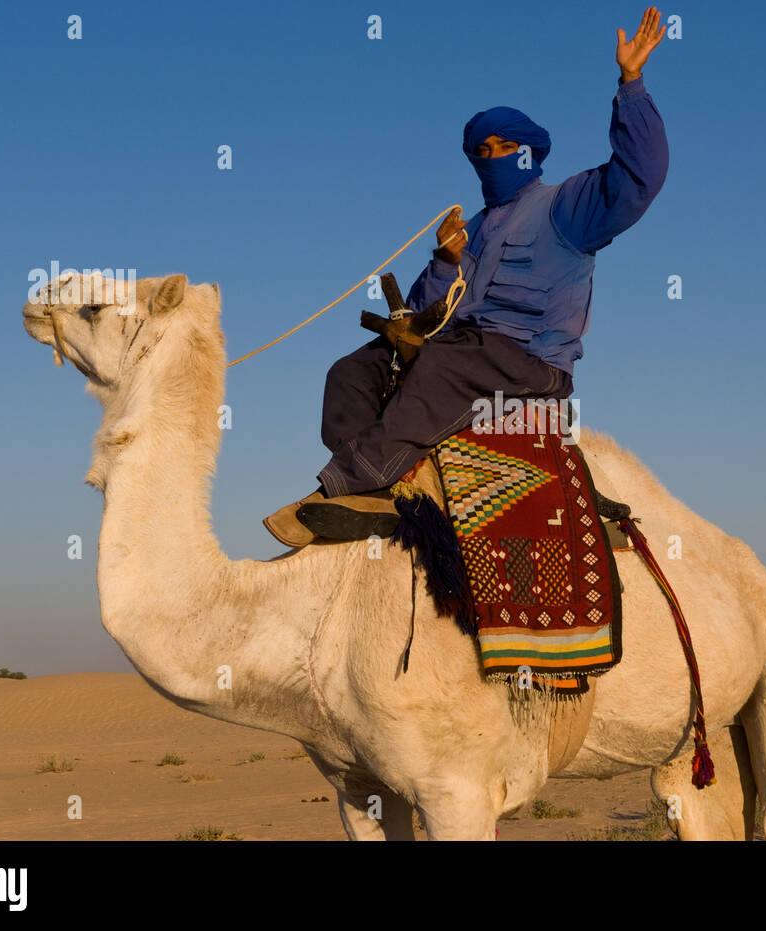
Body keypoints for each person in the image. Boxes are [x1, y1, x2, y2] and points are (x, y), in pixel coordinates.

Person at [265, 6, 669, 546]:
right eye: (483, 151)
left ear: (529, 152)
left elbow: (640, 177)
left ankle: (344, 483)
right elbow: (417, 317)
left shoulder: (567, 207)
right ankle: (379, 490)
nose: (493, 157)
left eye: (504, 148)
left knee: (445, 364)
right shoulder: (469, 231)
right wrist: (445, 262)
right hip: (463, 350)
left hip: (532, 364)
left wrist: (632, 83)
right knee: (352, 370)